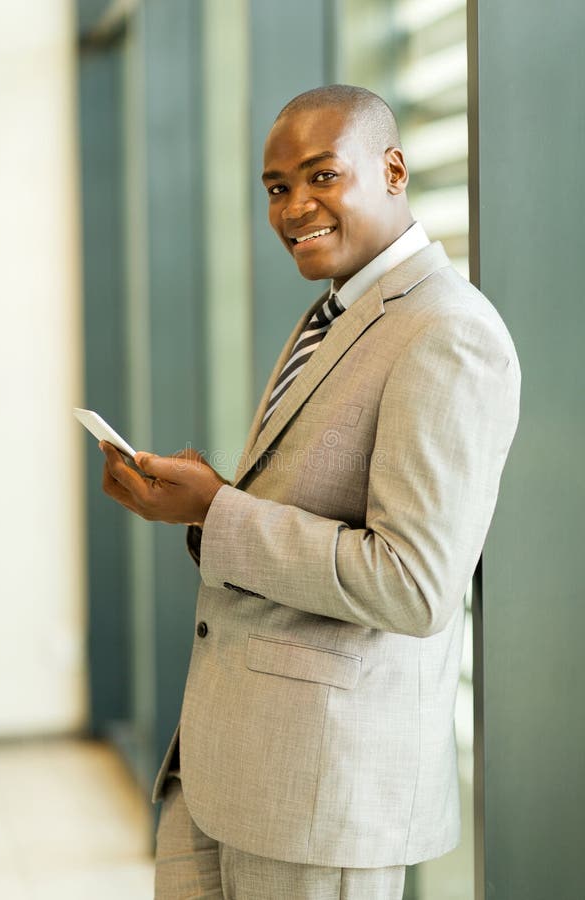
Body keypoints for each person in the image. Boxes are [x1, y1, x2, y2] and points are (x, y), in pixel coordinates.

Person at [100, 85, 520, 900]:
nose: (295, 208)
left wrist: (215, 511)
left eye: (321, 176)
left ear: (393, 169)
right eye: (276, 188)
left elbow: (415, 585)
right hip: (224, 770)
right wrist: (206, 506)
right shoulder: (334, 310)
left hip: (324, 793)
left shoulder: (448, 332)